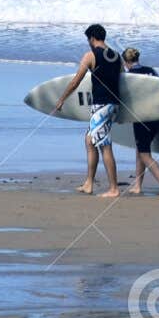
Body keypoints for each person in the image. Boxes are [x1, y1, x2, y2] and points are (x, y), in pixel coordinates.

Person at [53, 23, 123, 198]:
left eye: (88, 40)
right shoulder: (116, 56)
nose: (88, 43)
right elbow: (124, 80)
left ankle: (114, 188)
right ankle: (89, 184)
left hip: (101, 105)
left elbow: (76, 81)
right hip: (113, 104)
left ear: (92, 38)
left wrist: (62, 99)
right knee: (90, 140)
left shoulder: (91, 55)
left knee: (104, 146)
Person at [121, 48, 159, 197]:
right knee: (141, 150)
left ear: (126, 62)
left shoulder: (128, 76)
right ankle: (138, 186)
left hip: (143, 118)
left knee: (144, 154)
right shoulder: (151, 71)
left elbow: (125, 99)